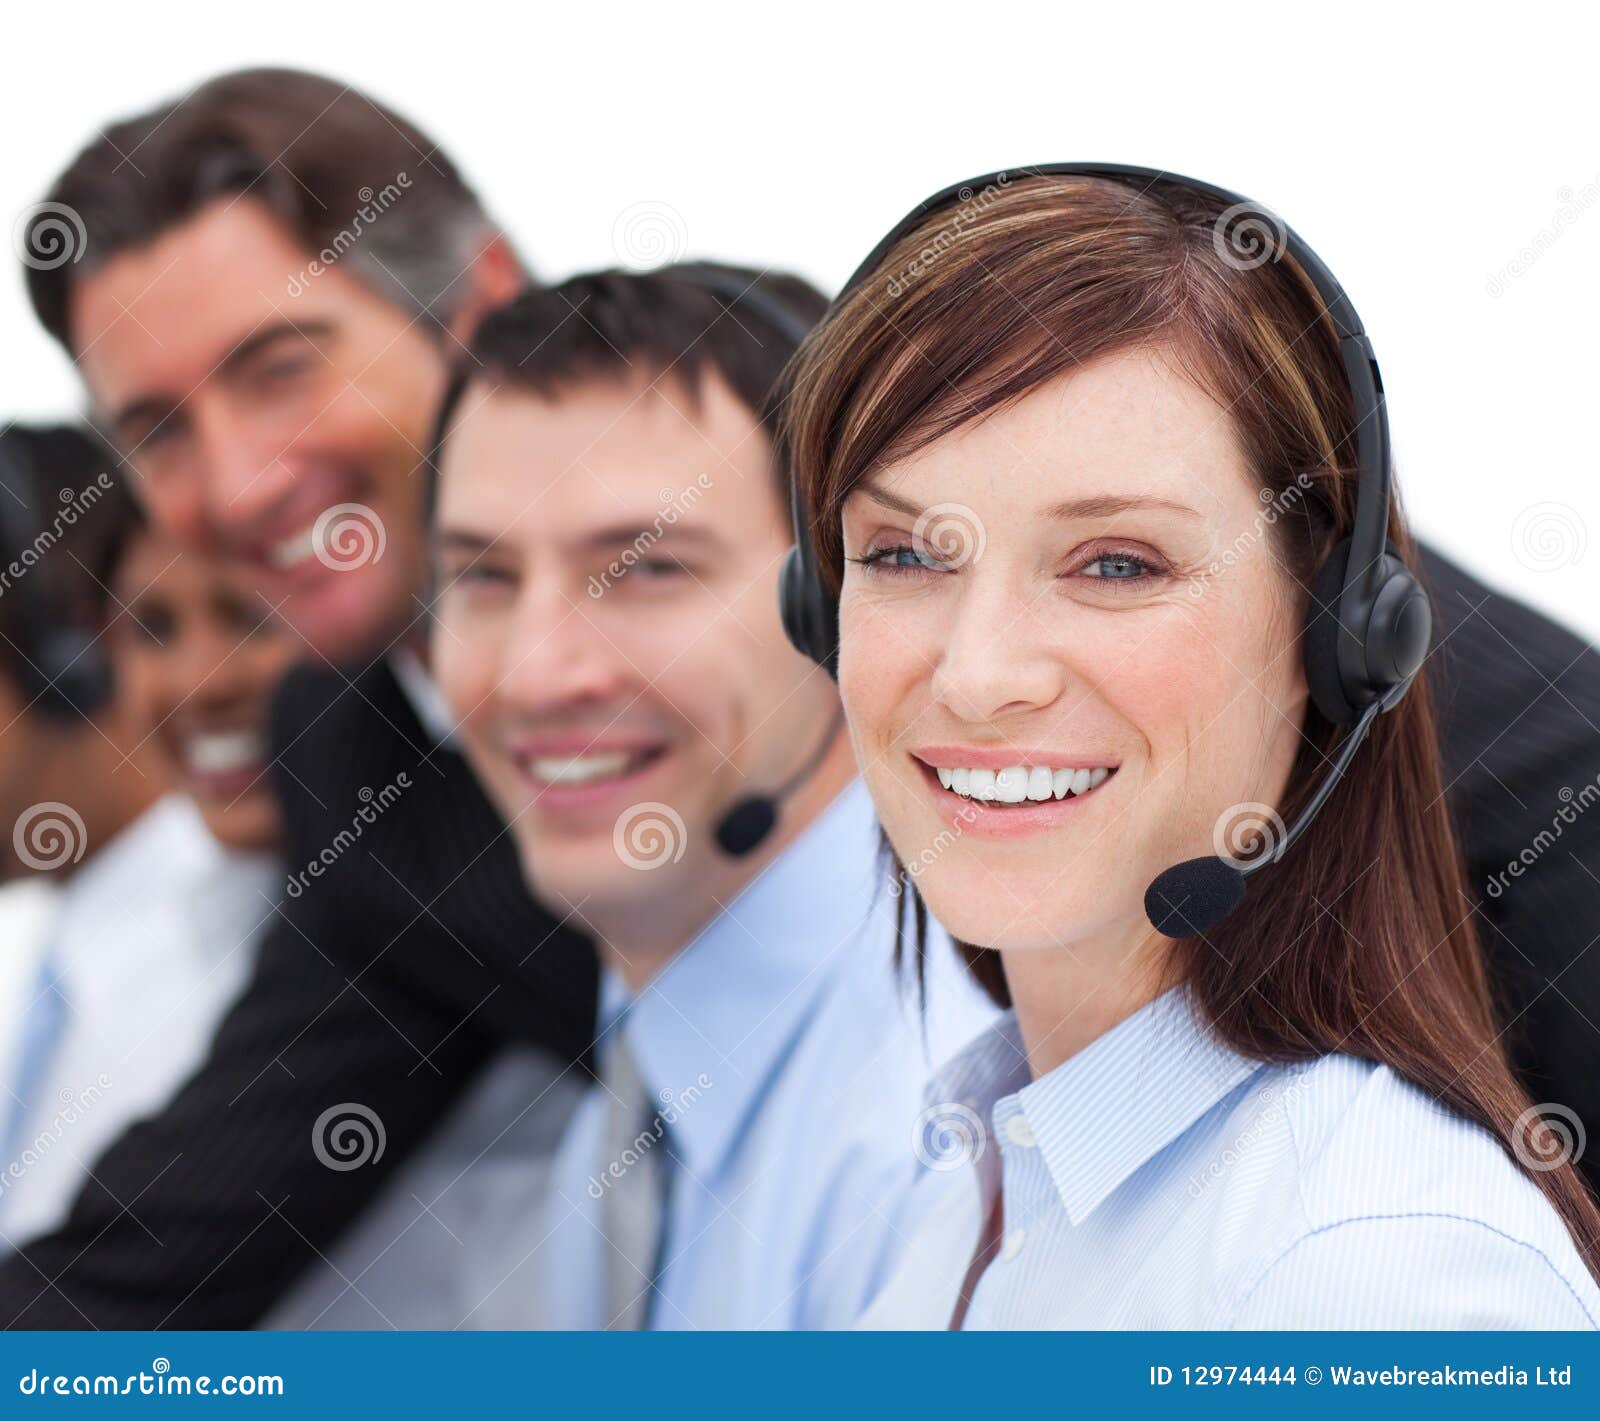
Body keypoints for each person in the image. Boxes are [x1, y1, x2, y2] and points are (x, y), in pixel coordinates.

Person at [778, 167, 1600, 1327]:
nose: (976, 674)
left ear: (1332, 639)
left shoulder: (1377, 1273)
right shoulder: (974, 1196)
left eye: (1116, 563)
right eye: (904, 553)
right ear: (819, 608)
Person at [0, 69, 596, 1327]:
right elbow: (163, 1249)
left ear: (479, 301)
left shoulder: (807, 546)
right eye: (158, 429)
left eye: (279, 369)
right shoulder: (347, 747)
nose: (234, 486)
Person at [428, 265, 996, 1328]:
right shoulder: (635, 1089)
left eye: (644, 570)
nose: (535, 675)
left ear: (842, 600)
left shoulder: (936, 1156)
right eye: (483, 578)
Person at [0, 430, 289, 1245]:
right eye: (155, 627)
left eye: (251, 618)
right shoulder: (68, 964)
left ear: (65, 664)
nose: (205, 679)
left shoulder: (301, 935)